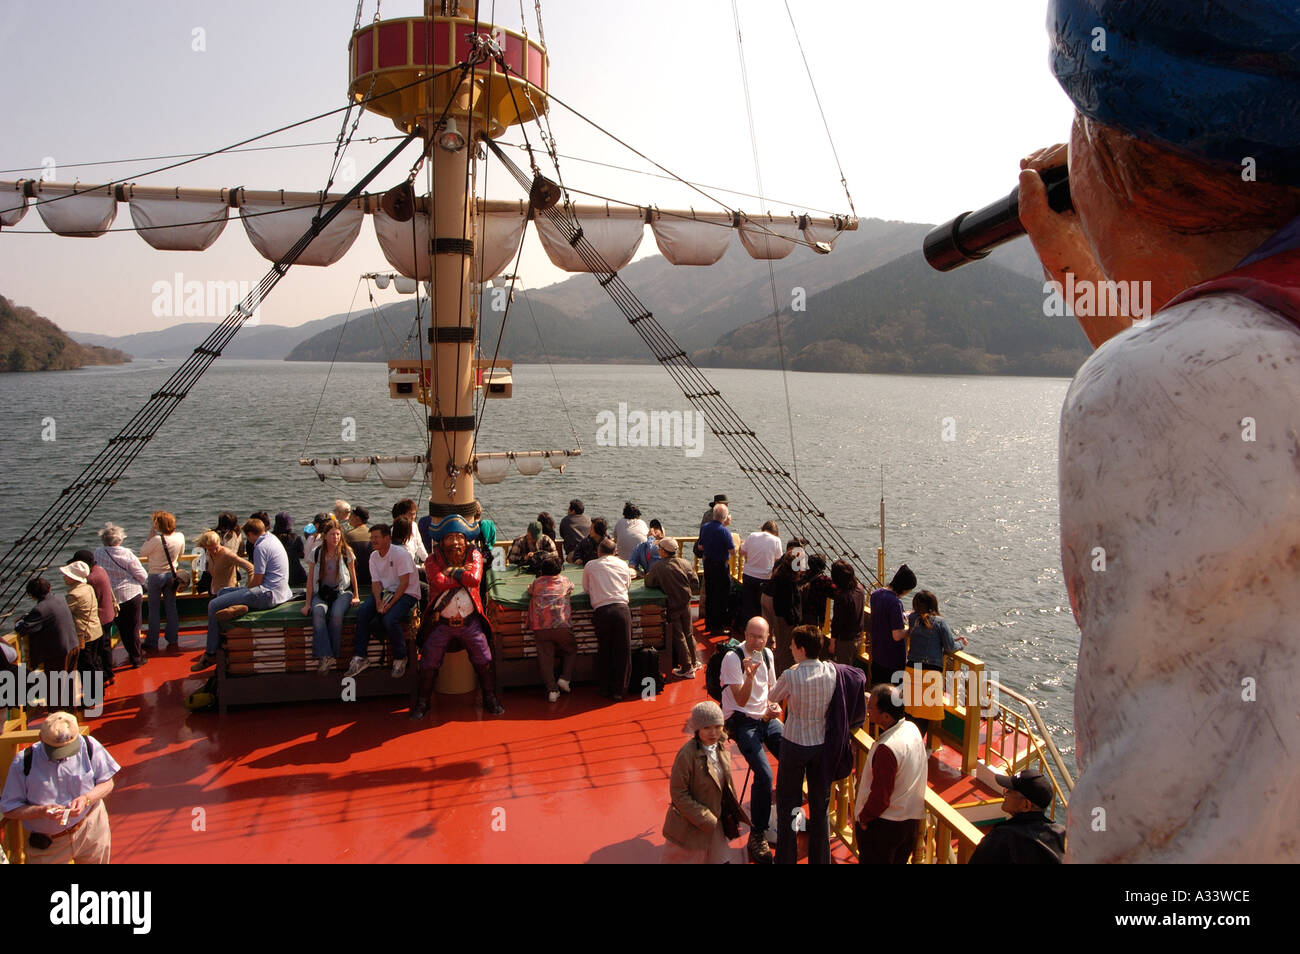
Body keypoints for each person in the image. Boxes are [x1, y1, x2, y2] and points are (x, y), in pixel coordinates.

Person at [1015, 0, 1300, 864]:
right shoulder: (1233, 363)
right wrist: (1074, 264)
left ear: (1116, 158)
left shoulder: (1160, 385)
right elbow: (1232, 412)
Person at [0, 711, 120, 864]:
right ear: (41, 738)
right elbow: (10, 809)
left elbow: (107, 783)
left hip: (91, 828)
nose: (63, 757)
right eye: (55, 750)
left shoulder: (89, 745)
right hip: (50, 843)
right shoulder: (23, 763)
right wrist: (41, 811)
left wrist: (86, 799)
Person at [412, 529, 503, 717]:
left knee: (484, 660)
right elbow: (439, 582)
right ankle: (423, 702)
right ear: (442, 541)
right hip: (441, 623)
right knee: (429, 661)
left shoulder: (475, 555)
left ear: (466, 540)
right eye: (450, 538)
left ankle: (489, 698)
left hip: (470, 622)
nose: (455, 542)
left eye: (459, 538)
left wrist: (452, 571)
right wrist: (463, 573)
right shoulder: (432, 560)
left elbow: (474, 579)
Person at [769, 626, 836, 864]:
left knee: (789, 802)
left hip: (795, 742)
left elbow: (772, 697)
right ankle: (821, 859)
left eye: (793, 645)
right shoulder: (830, 671)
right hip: (820, 743)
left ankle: (786, 858)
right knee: (820, 805)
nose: (790, 648)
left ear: (802, 649)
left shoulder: (791, 675)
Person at [719, 616, 783, 864]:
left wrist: (774, 708)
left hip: (765, 716)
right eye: (752, 636)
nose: (756, 641)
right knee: (764, 775)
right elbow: (742, 700)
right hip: (742, 719)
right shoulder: (732, 658)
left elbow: (772, 690)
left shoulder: (767, 655)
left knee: (793, 755)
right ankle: (758, 833)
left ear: (768, 638)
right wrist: (749, 676)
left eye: (761, 637)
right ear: (744, 634)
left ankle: (789, 812)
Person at [192, 518, 293, 672]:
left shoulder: (260, 547)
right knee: (222, 592)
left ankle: (211, 653)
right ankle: (240, 606)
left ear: (251, 534)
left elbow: (257, 579)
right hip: (280, 592)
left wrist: (246, 592)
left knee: (213, 605)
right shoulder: (272, 539)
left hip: (267, 594)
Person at [661, 701, 747, 864]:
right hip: (692, 825)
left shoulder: (720, 748)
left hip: (716, 824)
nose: (713, 733)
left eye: (717, 726)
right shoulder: (687, 755)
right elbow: (678, 793)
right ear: (697, 729)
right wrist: (705, 818)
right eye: (707, 728)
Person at [854, 684, 927, 864]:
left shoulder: (888, 749)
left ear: (886, 716)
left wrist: (864, 818)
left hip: (884, 827)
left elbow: (881, 797)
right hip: (908, 823)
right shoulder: (912, 729)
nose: (868, 710)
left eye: (871, 707)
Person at [345, 523, 420, 680]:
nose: (373, 541)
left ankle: (401, 657)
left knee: (389, 619)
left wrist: (389, 605)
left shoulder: (401, 554)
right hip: (386, 592)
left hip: (407, 593)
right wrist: (379, 602)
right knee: (363, 612)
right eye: (371, 538)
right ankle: (360, 656)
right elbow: (376, 583)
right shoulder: (373, 556)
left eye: (376, 537)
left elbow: (404, 583)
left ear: (387, 538)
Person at [968, 768, 1066, 865]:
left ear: (1026, 805)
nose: (1005, 793)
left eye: (1009, 791)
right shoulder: (1063, 834)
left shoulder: (1002, 837)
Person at [301, 519, 359, 674]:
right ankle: (326, 655)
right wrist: (307, 604)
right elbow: (310, 580)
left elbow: (353, 574)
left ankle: (330, 654)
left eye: (338, 534)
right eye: (332, 534)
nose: (336, 537)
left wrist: (356, 595)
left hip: (342, 592)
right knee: (318, 612)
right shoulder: (317, 553)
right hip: (322, 592)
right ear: (325, 536)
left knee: (336, 615)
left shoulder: (346, 551)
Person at [582, 537, 635, 701]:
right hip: (621, 609)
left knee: (604, 649)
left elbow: (586, 588)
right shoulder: (623, 565)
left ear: (599, 552)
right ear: (615, 552)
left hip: (602, 611)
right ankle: (619, 690)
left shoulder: (590, 565)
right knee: (623, 651)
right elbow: (627, 585)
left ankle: (604, 688)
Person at [643, 536, 699, 677]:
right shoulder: (685, 563)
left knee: (678, 636)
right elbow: (695, 582)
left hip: (672, 605)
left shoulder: (658, 567)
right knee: (689, 633)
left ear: (663, 551)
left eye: (659, 548)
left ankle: (687, 667)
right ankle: (694, 661)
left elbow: (649, 582)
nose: (658, 550)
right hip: (685, 603)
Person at [94, 523, 148, 669]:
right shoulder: (127, 554)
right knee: (133, 627)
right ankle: (136, 658)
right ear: (119, 539)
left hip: (111, 596)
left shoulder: (98, 553)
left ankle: (123, 657)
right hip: (130, 594)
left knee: (122, 628)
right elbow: (142, 575)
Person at [526, 554, 575, 702]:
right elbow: (572, 587)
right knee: (571, 649)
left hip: (541, 627)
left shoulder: (536, 583)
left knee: (545, 658)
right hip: (562, 626)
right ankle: (565, 678)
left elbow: (529, 590)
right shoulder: (565, 581)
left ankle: (552, 690)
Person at [140, 510, 185, 652]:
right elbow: (181, 554)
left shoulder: (156, 540)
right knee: (171, 607)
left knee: (154, 610)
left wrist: (150, 535)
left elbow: (143, 552)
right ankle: (173, 638)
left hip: (155, 576)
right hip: (171, 576)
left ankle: (152, 641)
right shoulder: (180, 537)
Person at [14, 577, 78, 675]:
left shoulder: (40, 609)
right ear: (49, 588)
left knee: (55, 683)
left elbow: (23, 628)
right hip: (73, 645)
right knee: (70, 680)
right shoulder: (60, 597)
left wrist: (18, 622)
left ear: (32, 595)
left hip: (59, 654)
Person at [73, 549, 116, 687]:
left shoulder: (90, 579)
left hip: (100, 618)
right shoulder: (100, 570)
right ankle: (109, 674)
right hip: (108, 614)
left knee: (97, 654)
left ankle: (103, 678)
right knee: (105, 647)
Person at [868, 564, 915, 688]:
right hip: (892, 660)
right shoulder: (895, 603)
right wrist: (910, 630)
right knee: (893, 696)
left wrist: (901, 615)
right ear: (904, 589)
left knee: (877, 691)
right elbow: (897, 635)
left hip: (877, 654)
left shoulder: (875, 594)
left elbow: (883, 617)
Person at [59, 561, 100, 694]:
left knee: (86, 667)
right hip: (95, 630)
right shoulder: (88, 588)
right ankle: (98, 692)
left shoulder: (74, 594)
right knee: (94, 662)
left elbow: (63, 613)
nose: (64, 578)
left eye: (66, 575)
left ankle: (91, 696)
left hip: (85, 635)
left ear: (73, 578)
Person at [697, 503, 735, 635]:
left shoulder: (705, 527)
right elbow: (732, 551)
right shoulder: (724, 531)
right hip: (720, 566)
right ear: (725, 517)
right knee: (721, 596)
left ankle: (708, 624)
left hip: (708, 564)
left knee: (710, 594)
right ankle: (717, 627)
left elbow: (700, 546)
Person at [764, 547, 804, 676]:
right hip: (785, 619)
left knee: (777, 643)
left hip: (778, 613)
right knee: (785, 649)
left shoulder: (780, 573)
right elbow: (787, 604)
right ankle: (783, 675)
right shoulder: (787, 581)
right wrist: (793, 621)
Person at [739, 520, 783, 624]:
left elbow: (742, 552)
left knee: (748, 605)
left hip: (748, 575)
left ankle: (746, 627)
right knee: (761, 607)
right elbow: (779, 560)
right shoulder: (776, 540)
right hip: (765, 578)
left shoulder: (752, 536)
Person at [828, 559, 866, 666]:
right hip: (858, 639)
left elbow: (837, 622)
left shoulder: (842, 597)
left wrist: (832, 643)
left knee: (842, 671)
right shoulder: (860, 589)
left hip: (844, 642)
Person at [193, 529, 252, 596]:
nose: (214, 551)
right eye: (210, 549)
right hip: (214, 592)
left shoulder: (227, 554)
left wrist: (248, 588)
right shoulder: (208, 553)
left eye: (216, 548)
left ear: (219, 543)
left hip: (228, 593)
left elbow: (250, 568)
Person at [272, 511, 307, 589]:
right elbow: (302, 555)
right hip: (297, 577)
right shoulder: (296, 538)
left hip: (279, 579)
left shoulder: (271, 539)